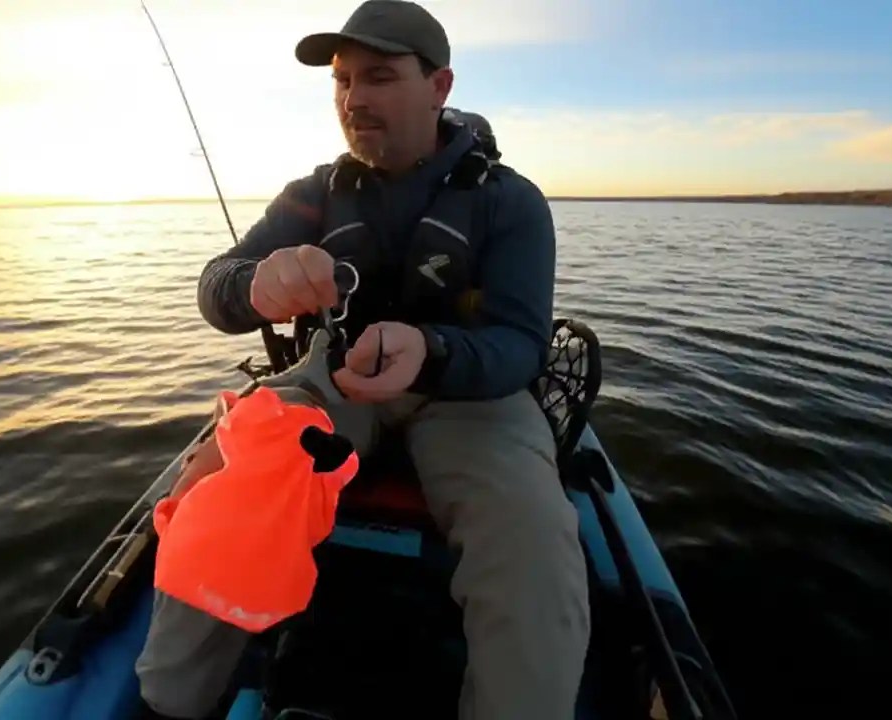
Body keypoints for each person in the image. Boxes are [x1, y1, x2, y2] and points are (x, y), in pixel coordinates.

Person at [134, 1, 590, 718]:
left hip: (473, 397)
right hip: (335, 379)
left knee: (533, 539)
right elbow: (216, 288)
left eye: (378, 77)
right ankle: (168, 704)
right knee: (229, 477)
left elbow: (519, 345)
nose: (354, 99)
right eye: (343, 80)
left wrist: (432, 348)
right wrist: (254, 284)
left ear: (439, 86)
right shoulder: (313, 195)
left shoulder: (513, 203)